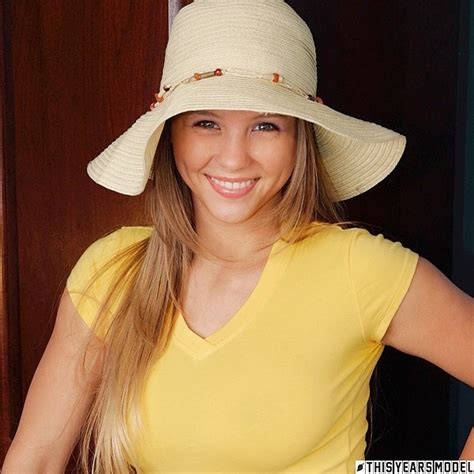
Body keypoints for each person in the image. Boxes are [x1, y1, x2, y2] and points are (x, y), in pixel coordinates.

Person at [3, 1, 473, 472]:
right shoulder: (111, 273)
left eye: (265, 126)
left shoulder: (361, 269)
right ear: (171, 135)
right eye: (207, 123)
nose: (233, 158)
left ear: (299, 139)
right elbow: (36, 458)